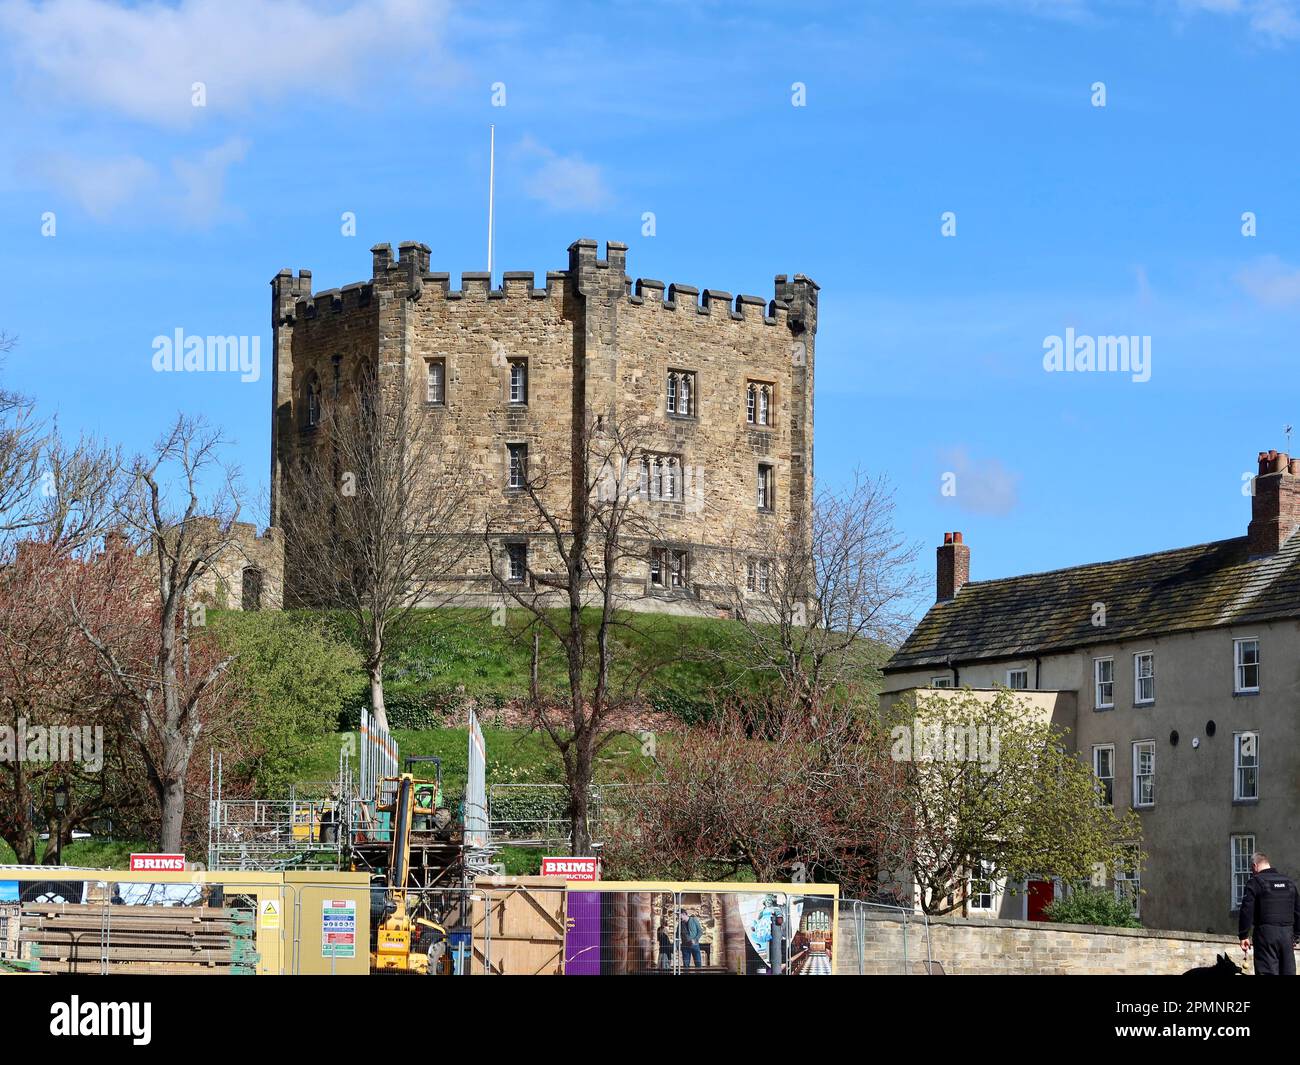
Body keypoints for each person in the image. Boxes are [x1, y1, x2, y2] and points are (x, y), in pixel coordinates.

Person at [1238, 851, 1300, 976]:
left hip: (1265, 935)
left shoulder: (1255, 882)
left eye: (1252, 869)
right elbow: (1297, 911)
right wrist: (1296, 935)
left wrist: (1243, 935)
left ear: (1255, 866)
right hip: (1287, 935)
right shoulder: (1289, 882)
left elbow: (1247, 909)